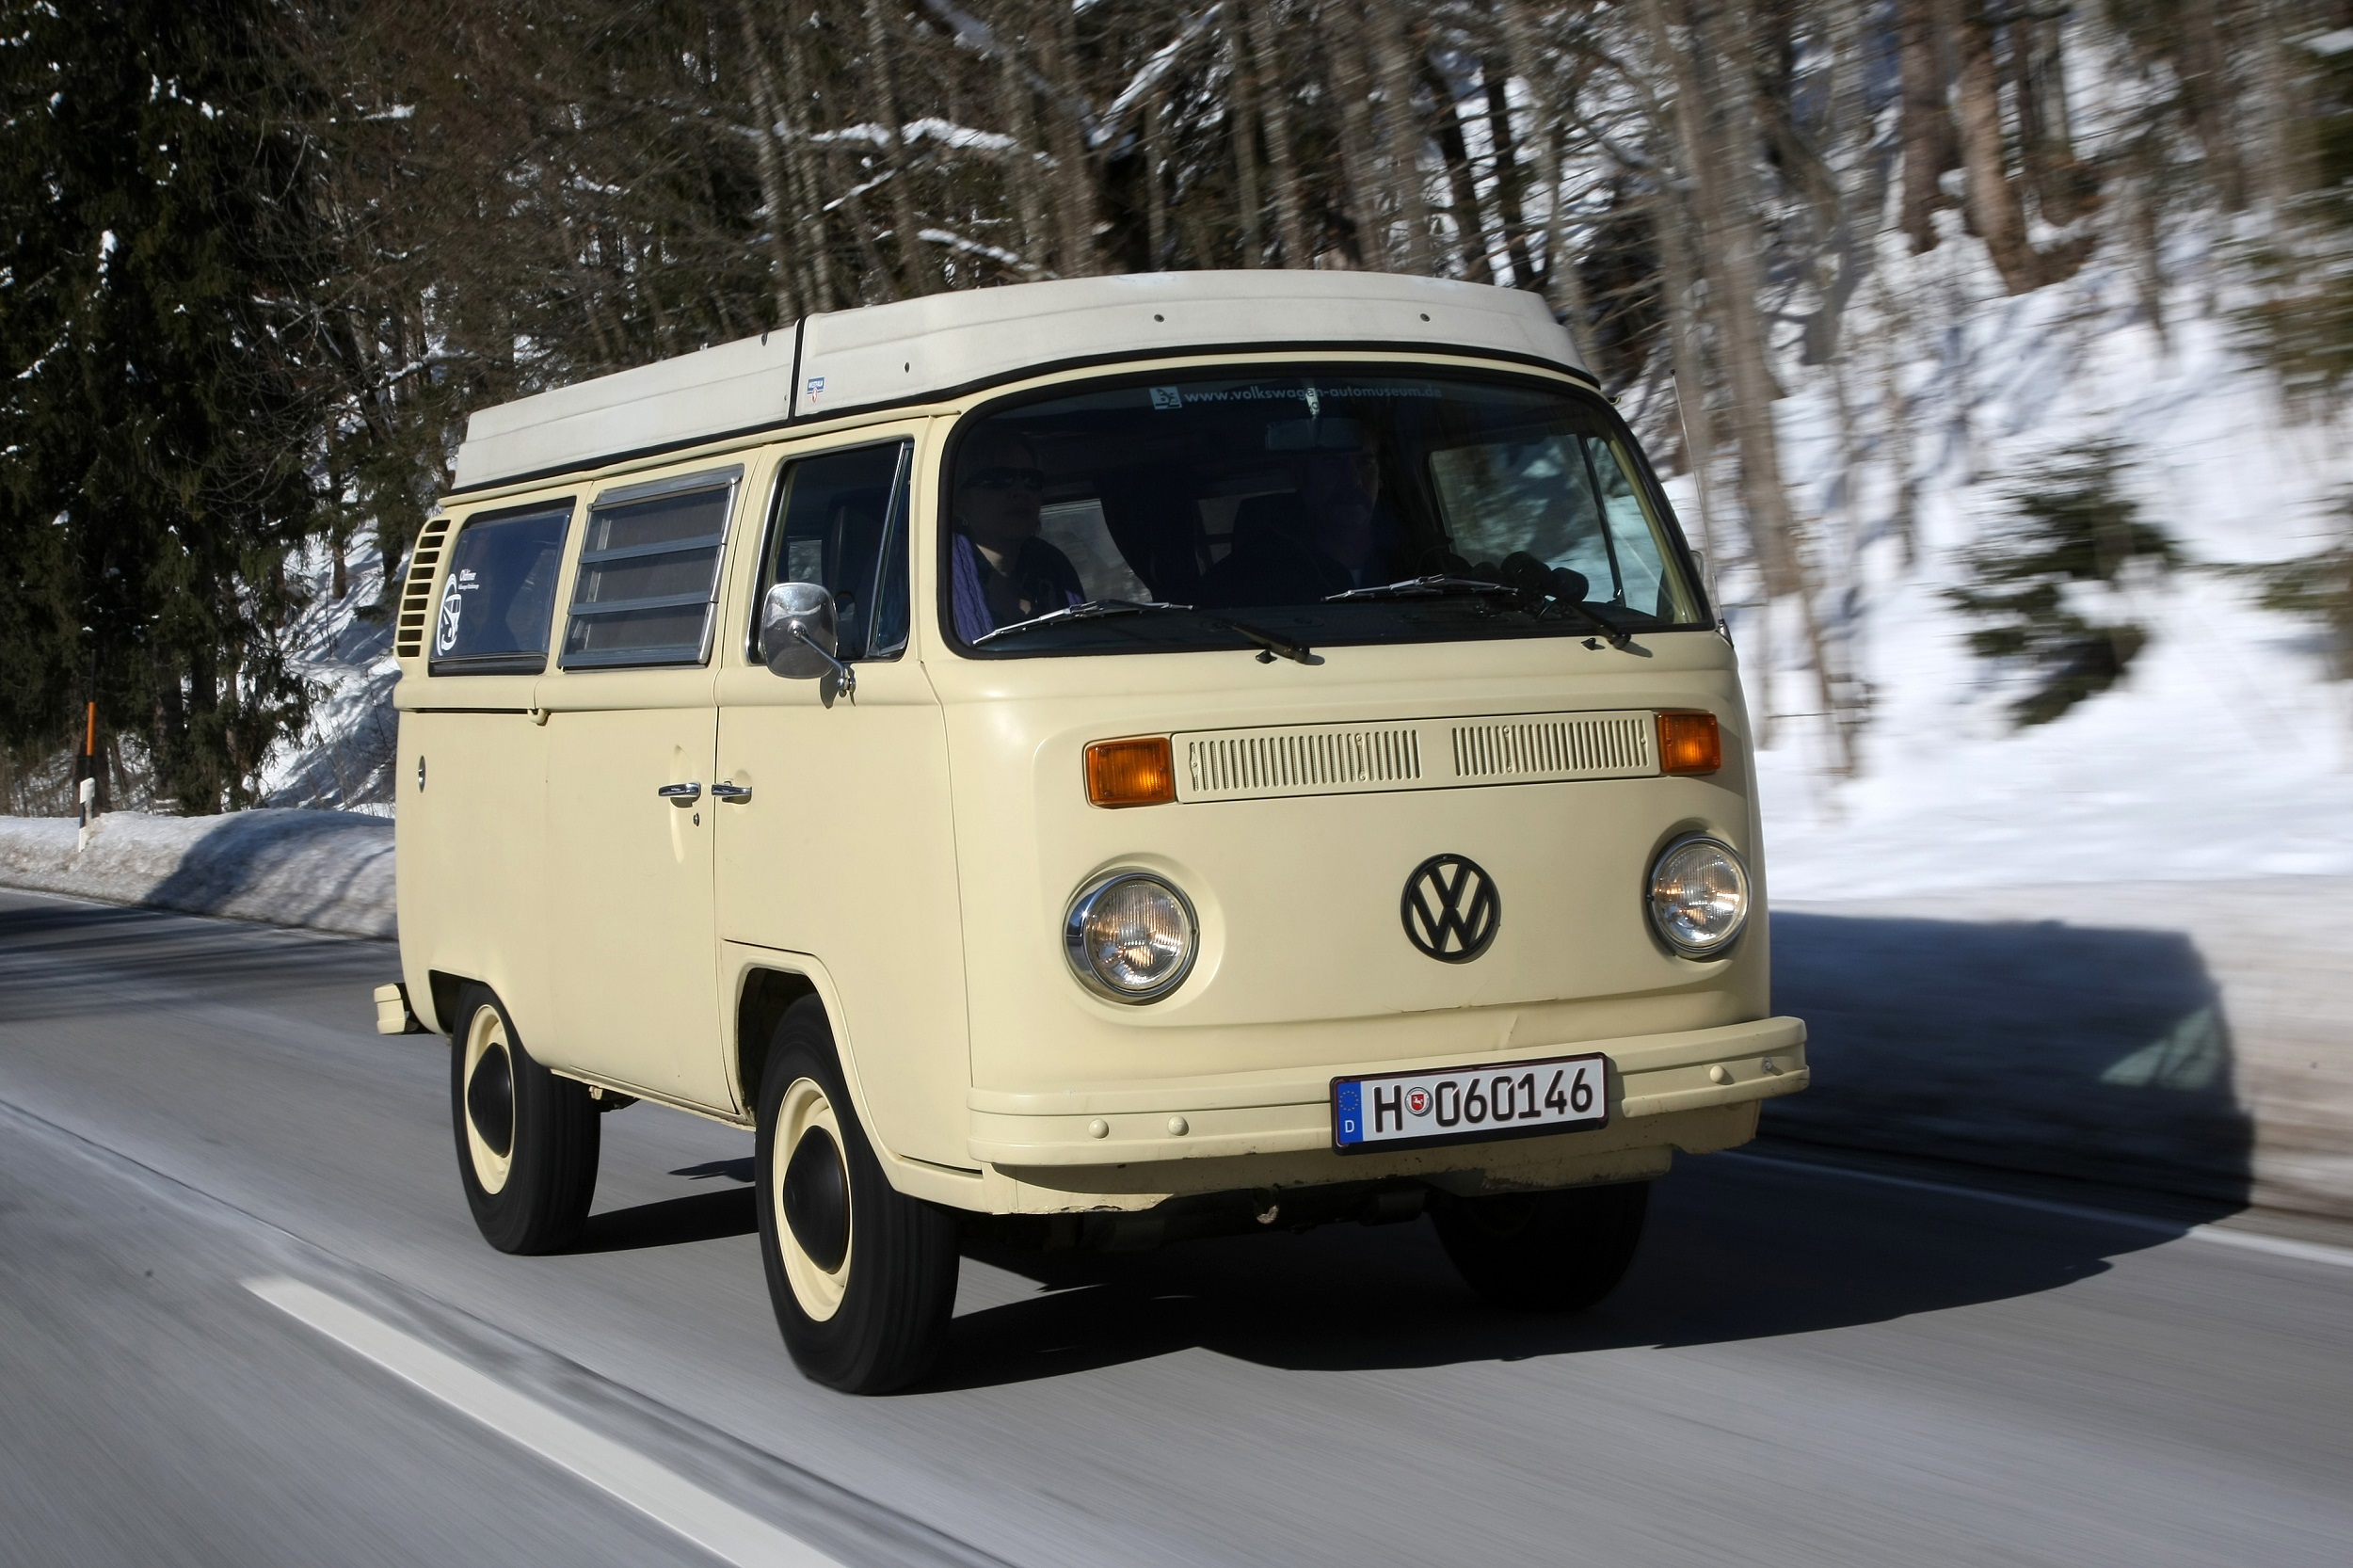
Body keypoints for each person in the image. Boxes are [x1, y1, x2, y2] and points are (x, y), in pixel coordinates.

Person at [1199, 419, 1391, 607]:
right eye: (1332, 463)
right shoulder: (1247, 580)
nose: (1353, 481)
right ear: (1299, 476)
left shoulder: (1413, 559)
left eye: (1365, 463)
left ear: (1382, 476)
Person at [949, 431, 1085, 641]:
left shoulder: (1055, 572)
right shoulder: (935, 584)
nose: (1021, 490)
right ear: (959, 503)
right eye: (999, 479)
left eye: (1031, 479)